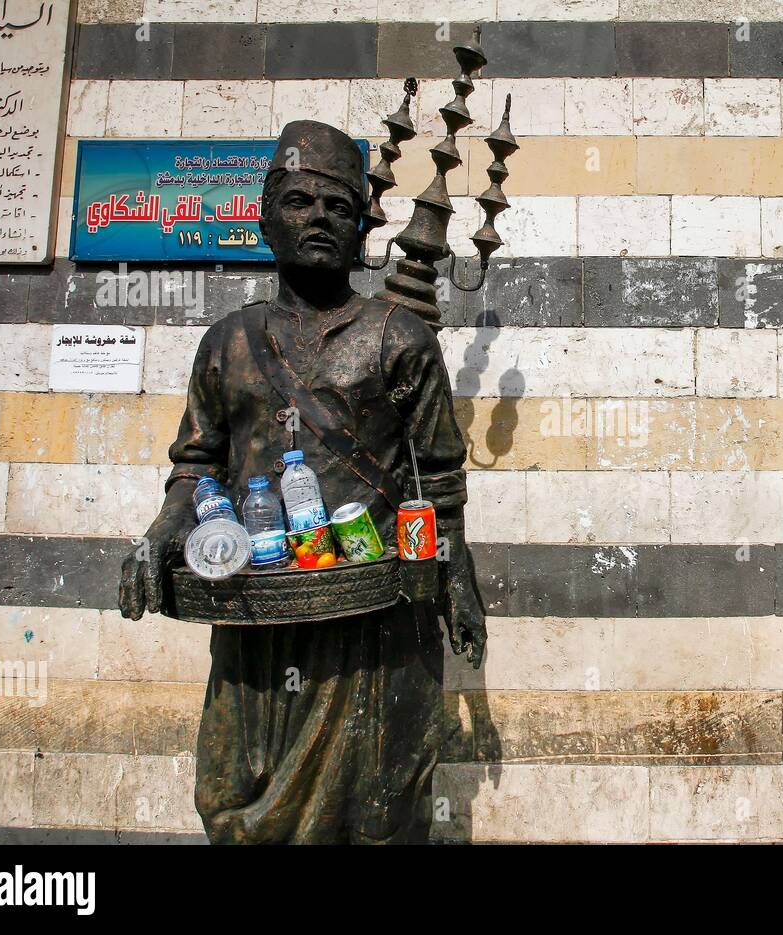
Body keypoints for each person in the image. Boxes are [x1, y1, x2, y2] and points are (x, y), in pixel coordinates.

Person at [117, 120, 487, 843]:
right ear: (264, 217)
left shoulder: (398, 338)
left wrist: (460, 580)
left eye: (338, 208)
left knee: (378, 808)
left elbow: (440, 476)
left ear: (360, 229)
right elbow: (196, 463)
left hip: (374, 623)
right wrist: (162, 533)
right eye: (299, 202)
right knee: (235, 801)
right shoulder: (226, 342)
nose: (319, 218)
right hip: (262, 613)